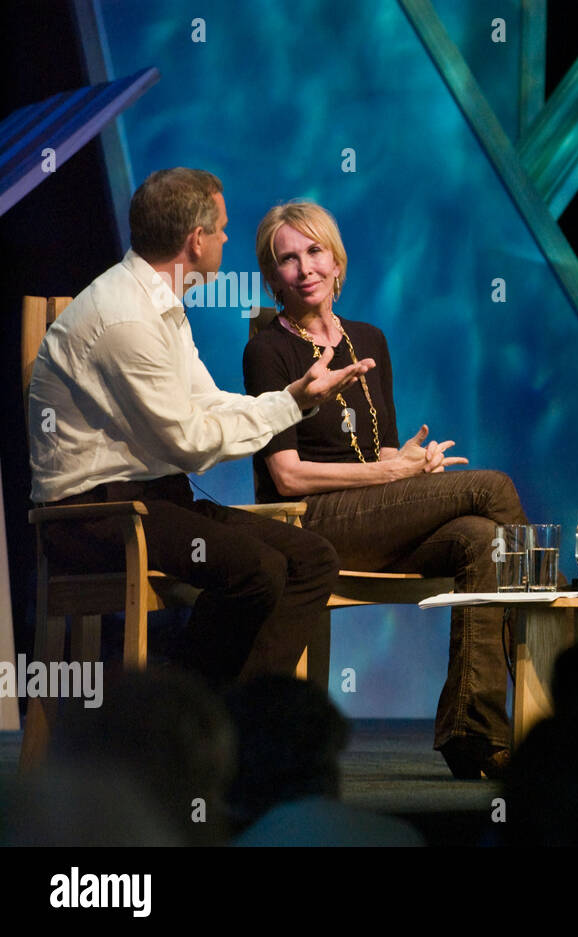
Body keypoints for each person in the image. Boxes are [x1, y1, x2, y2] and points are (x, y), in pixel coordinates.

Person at [27, 168, 365, 684]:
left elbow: (206, 403)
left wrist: (294, 399)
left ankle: (243, 727)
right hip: (93, 514)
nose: (228, 238)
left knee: (311, 559)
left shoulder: (161, 307)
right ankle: (178, 725)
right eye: (223, 228)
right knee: (257, 569)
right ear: (197, 240)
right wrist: (291, 405)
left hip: (155, 501)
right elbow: (188, 441)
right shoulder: (125, 319)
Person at [242, 200, 527, 779]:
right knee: (492, 488)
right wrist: (387, 474)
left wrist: (410, 461)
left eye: (314, 251)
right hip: (308, 522)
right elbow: (286, 475)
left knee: (479, 538)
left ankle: (474, 733)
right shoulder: (267, 350)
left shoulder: (369, 337)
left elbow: (380, 454)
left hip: (373, 515)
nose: (305, 268)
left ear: (336, 257)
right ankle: (542, 623)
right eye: (287, 260)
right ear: (273, 278)